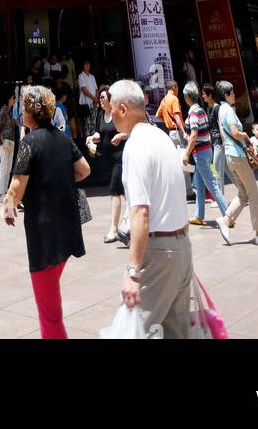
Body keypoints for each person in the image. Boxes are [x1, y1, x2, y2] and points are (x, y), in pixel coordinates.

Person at [2, 85, 89, 339]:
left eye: (23, 108)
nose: (20, 113)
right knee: (47, 304)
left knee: (50, 312)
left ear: (31, 111)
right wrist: (58, 175)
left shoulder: (30, 142)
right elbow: (84, 170)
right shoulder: (63, 138)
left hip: (44, 233)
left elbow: (17, 189)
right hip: (67, 228)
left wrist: (8, 204)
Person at [110, 78, 193, 338]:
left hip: (159, 254)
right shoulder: (160, 138)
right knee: (175, 331)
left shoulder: (135, 148)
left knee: (135, 332)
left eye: (110, 107)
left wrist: (133, 271)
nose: (108, 113)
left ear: (123, 109)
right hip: (181, 246)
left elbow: (140, 212)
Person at [216, 81, 258, 245]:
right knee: (254, 195)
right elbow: (235, 133)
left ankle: (227, 220)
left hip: (230, 156)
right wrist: (244, 135)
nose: (234, 95)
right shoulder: (227, 110)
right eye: (232, 92)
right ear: (226, 95)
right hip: (237, 156)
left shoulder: (220, 110)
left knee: (243, 194)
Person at [183, 82, 228, 225]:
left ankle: (228, 215)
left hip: (200, 152)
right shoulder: (201, 110)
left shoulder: (193, 111)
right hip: (206, 150)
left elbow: (195, 134)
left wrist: (186, 153)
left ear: (187, 97)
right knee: (200, 184)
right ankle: (199, 215)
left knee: (211, 184)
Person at [88, 87, 128, 245]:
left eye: (103, 97)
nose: (100, 99)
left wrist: (121, 135)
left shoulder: (117, 113)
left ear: (110, 99)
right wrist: (92, 138)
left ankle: (113, 229)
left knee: (114, 190)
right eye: (100, 97)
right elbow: (100, 134)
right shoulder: (100, 115)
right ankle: (133, 223)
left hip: (121, 157)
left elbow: (130, 131)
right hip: (108, 159)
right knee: (125, 193)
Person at [203, 82, 230, 192]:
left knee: (215, 168)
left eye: (204, 94)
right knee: (228, 170)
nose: (203, 96)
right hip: (213, 143)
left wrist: (224, 141)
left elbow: (220, 125)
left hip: (219, 142)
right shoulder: (208, 108)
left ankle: (220, 196)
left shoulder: (216, 108)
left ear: (210, 95)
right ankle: (243, 191)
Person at [0, 86, 16, 200]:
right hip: (4, 143)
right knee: (4, 167)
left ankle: (6, 191)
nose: (14, 100)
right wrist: (1, 140)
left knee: (8, 168)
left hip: (10, 142)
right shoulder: (3, 111)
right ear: (8, 98)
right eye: (13, 98)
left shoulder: (10, 111)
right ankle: (2, 192)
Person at [155, 80, 186, 145]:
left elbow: (157, 116)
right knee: (182, 152)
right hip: (178, 132)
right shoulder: (174, 99)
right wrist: (183, 132)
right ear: (174, 87)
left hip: (171, 133)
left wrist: (167, 120)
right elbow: (176, 116)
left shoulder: (163, 101)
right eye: (177, 88)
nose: (178, 91)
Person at [77, 62, 97, 133]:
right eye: (85, 64)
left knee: (94, 124)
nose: (87, 65)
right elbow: (84, 89)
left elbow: (96, 89)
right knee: (87, 125)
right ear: (83, 66)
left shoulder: (92, 76)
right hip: (86, 104)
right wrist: (94, 98)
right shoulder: (81, 76)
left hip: (94, 104)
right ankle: (88, 141)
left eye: (88, 64)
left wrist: (96, 100)